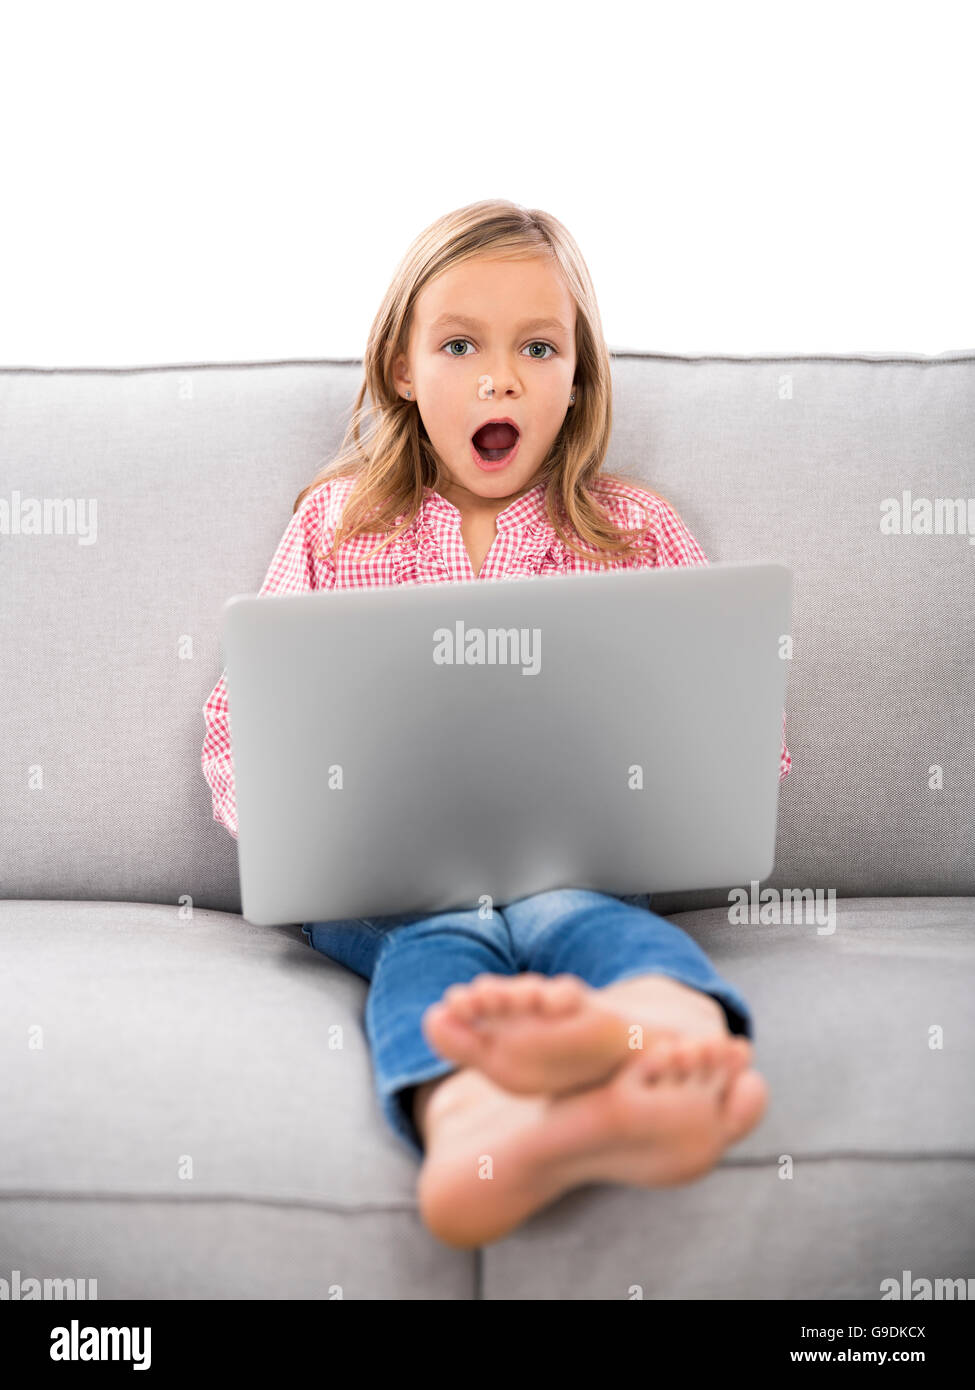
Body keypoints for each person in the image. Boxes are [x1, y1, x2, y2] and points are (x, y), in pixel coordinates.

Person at [201, 199, 792, 1250]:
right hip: (378, 884)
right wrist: (293, 827)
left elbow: (741, 727)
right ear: (400, 366)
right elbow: (237, 723)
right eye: (461, 343)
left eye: (538, 346)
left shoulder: (634, 529)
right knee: (432, 933)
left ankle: (653, 1048)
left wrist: (698, 782)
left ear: (578, 378)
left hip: (581, 869)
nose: (500, 377)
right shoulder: (335, 526)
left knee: (585, 910)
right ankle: (484, 1119)